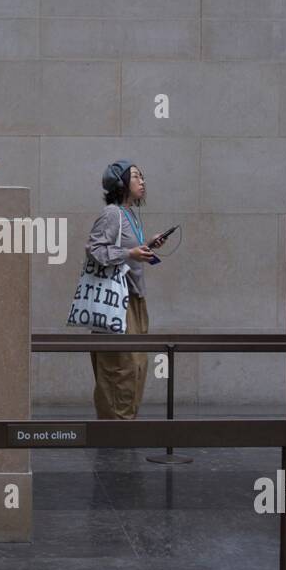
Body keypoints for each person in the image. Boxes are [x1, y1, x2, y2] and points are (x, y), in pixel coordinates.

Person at [86, 160, 157, 420]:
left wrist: (146, 246)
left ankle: (125, 423)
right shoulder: (112, 214)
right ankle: (114, 427)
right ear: (120, 184)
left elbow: (125, 253)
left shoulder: (129, 214)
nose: (142, 182)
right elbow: (94, 250)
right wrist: (130, 252)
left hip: (135, 299)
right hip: (117, 302)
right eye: (136, 177)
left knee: (137, 365)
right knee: (119, 366)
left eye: (142, 176)